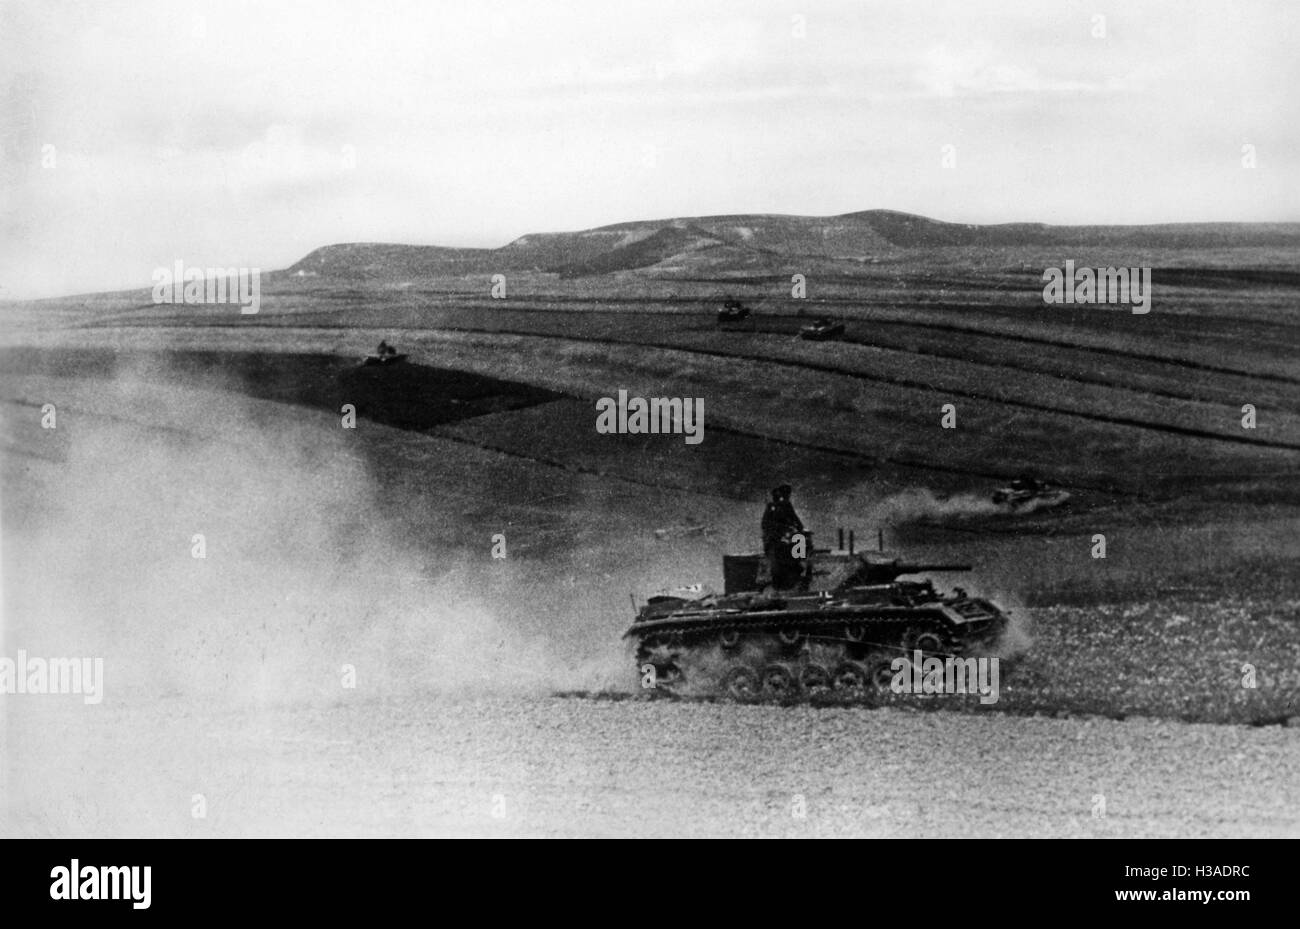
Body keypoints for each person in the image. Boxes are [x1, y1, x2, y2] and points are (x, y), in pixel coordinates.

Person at [760, 484, 805, 589]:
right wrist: (782, 527)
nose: (786, 497)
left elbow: (795, 518)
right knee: (777, 559)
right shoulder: (772, 506)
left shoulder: (786, 505)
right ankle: (779, 582)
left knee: (798, 544)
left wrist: (800, 528)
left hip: (784, 538)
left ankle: (799, 569)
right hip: (773, 539)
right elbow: (765, 524)